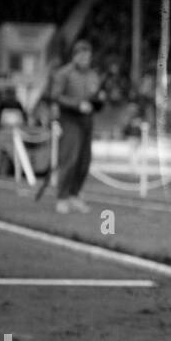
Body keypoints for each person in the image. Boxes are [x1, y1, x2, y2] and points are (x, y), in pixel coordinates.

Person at [50, 39, 104, 214]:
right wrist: (76, 104)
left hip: (87, 120)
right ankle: (62, 197)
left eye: (88, 55)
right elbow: (56, 96)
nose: (85, 58)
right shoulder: (64, 73)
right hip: (70, 119)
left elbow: (95, 95)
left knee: (84, 160)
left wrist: (99, 100)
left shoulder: (93, 74)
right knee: (70, 158)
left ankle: (74, 194)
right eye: (82, 55)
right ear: (75, 56)